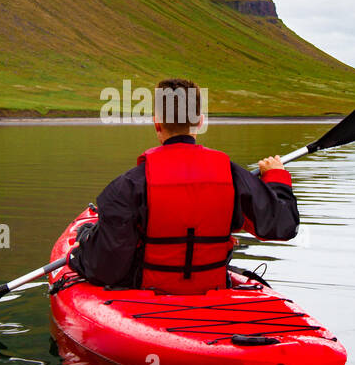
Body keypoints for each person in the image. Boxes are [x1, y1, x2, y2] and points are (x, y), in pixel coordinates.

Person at [68, 77, 299, 290]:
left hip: (149, 294)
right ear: (199, 122)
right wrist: (276, 177)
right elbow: (284, 226)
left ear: (157, 123)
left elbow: (105, 269)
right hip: (214, 290)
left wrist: (81, 248)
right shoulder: (233, 176)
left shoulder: (127, 186)